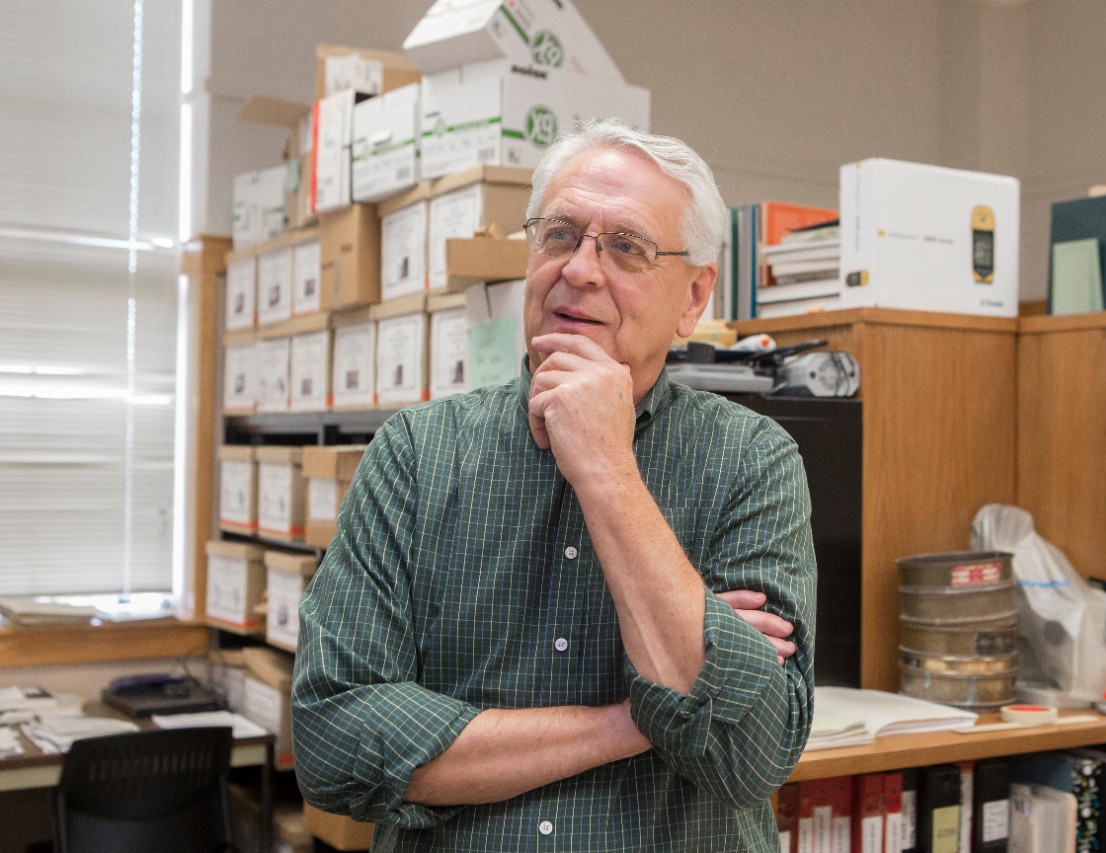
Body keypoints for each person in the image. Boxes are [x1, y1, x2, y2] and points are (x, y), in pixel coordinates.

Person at [292, 118, 817, 852]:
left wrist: (608, 471)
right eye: (561, 234)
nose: (580, 270)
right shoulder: (414, 455)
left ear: (694, 298)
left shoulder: (752, 461)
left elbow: (750, 755)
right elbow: (333, 743)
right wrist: (633, 719)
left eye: (626, 247)